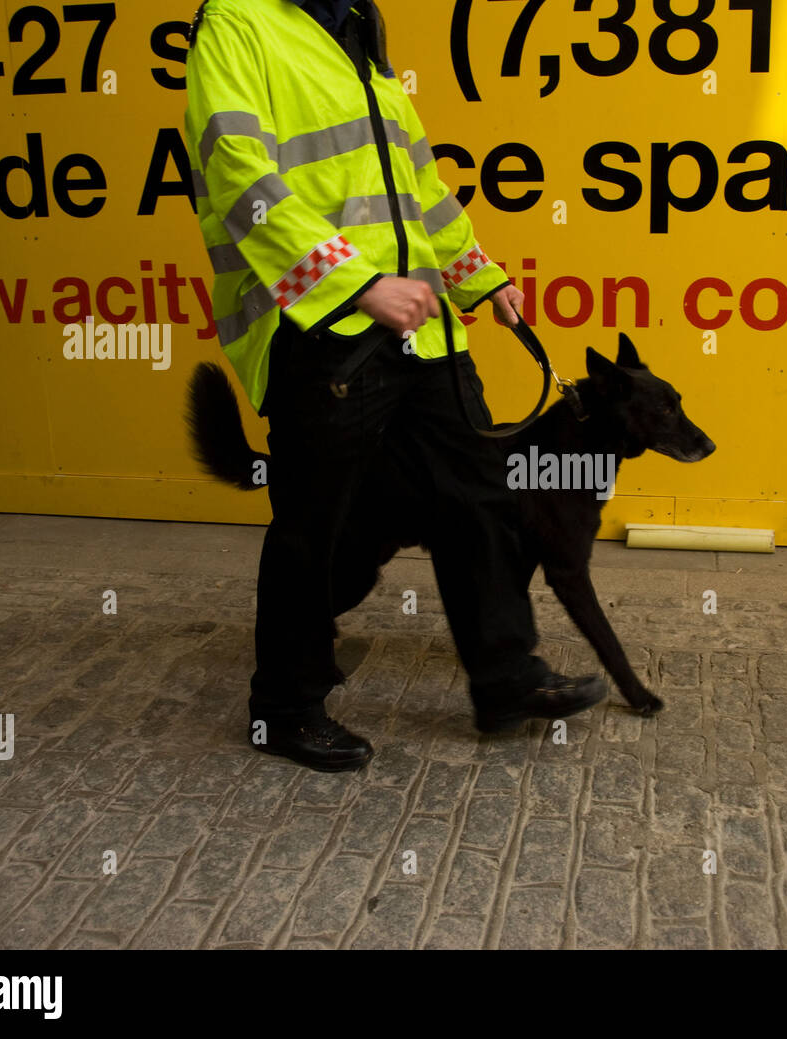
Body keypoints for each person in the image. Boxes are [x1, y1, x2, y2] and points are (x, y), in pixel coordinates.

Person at [184, 0, 606, 772]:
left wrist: (481, 278)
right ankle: (284, 706)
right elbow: (239, 178)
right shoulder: (239, 23)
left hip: (422, 326)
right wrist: (355, 283)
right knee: (316, 523)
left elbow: (417, 190)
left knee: (479, 493)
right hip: (323, 331)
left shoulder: (358, 36)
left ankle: (506, 679)